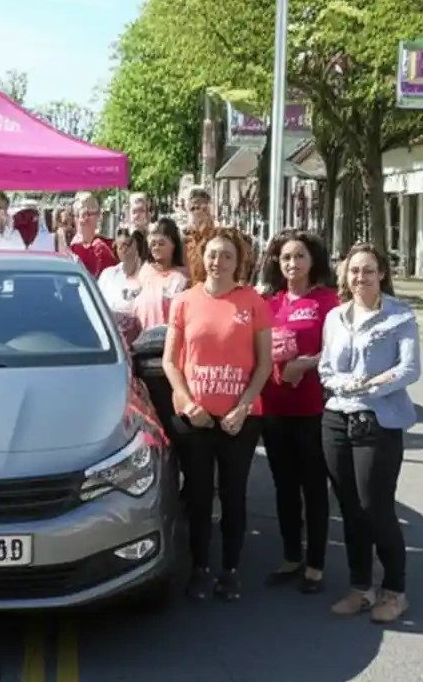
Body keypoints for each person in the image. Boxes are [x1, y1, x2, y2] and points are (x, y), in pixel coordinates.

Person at [161, 226, 273, 602]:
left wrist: (242, 408)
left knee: (233, 495)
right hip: (194, 418)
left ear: (239, 261)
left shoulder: (254, 303)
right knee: (197, 496)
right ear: (201, 257)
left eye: (227, 255)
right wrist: (187, 401)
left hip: (239, 420)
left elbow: (264, 365)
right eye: (212, 253)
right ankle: (199, 568)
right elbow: (170, 362)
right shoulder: (184, 301)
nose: (218, 261)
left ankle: (231, 569)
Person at [319, 243, 421, 624]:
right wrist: (345, 385)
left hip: (378, 421)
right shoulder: (335, 317)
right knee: (349, 509)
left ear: (381, 274)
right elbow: (326, 370)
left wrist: (365, 387)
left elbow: (408, 370)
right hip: (337, 420)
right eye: (353, 270)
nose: (360, 277)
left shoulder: (400, 316)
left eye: (368, 270)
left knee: (375, 508)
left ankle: (395, 590)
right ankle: (360, 587)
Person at [257, 230, 339, 594]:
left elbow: (341, 352)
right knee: (284, 486)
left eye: (299, 256)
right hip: (274, 408)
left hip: (311, 410)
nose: (292, 263)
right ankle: (291, 556)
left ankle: (316, 565)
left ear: (312, 260)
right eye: (286, 257)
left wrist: (306, 364)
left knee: (313, 489)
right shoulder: (269, 304)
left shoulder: (327, 301)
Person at [97, 227, 149, 314]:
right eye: (119, 245)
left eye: (127, 244)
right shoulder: (107, 275)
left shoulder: (148, 275)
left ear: (139, 246)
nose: (123, 249)